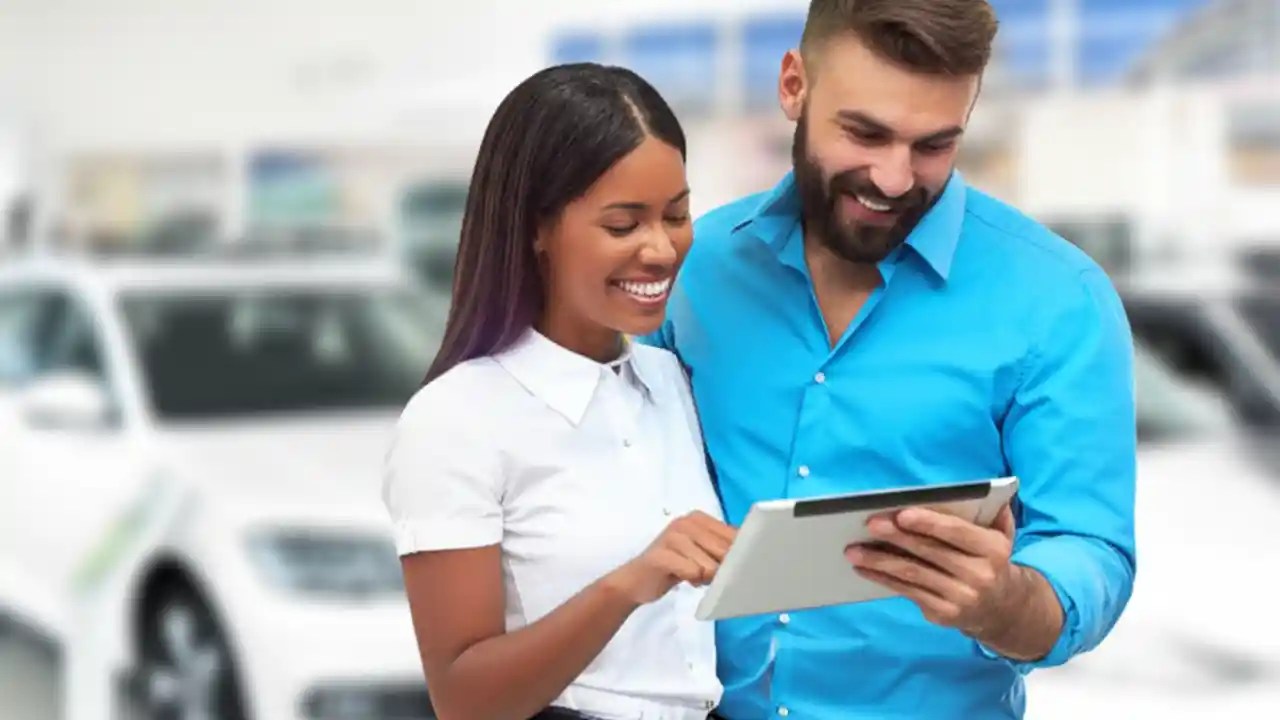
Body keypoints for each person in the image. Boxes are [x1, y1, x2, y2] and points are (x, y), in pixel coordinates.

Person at [642, 1, 1137, 718]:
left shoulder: (1061, 300)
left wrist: (1007, 603)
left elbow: (1089, 549)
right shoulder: (692, 270)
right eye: (864, 133)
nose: (896, 178)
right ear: (793, 87)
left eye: (934, 144)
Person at [382, 63, 736, 720]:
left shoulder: (670, 382)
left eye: (677, 214)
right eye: (624, 225)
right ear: (537, 227)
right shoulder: (455, 420)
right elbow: (464, 700)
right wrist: (631, 584)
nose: (661, 249)